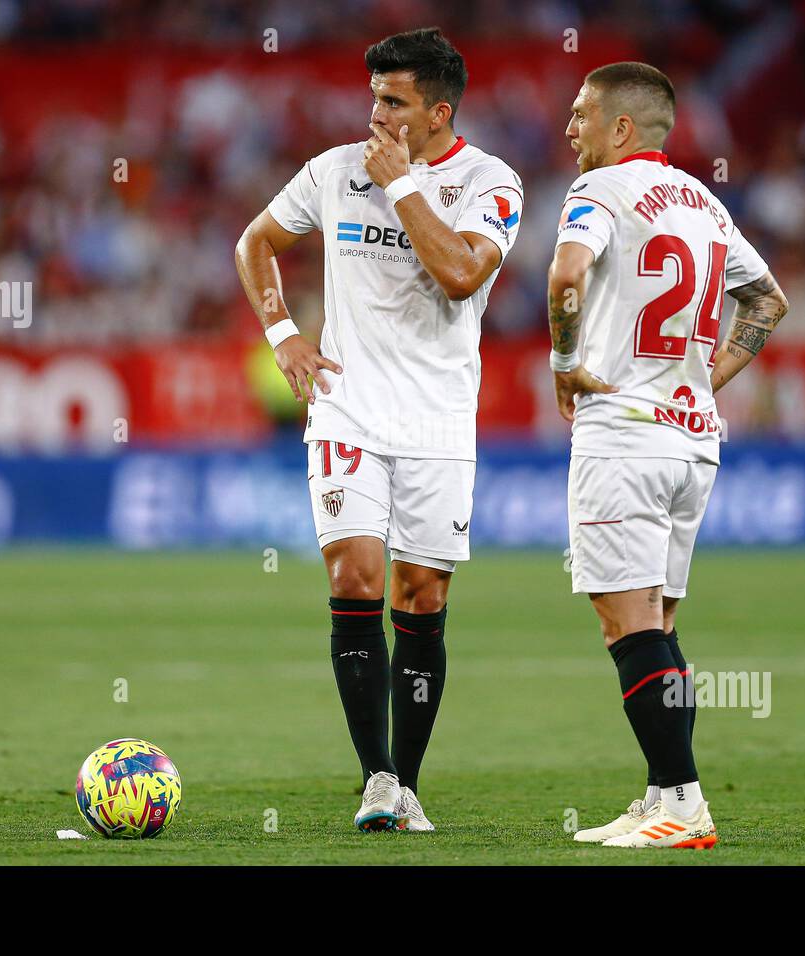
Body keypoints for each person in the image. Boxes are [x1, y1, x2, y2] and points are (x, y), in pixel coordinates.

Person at [234, 28, 523, 832]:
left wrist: (403, 189)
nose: (376, 113)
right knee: (355, 579)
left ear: (437, 110)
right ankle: (378, 778)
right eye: (373, 97)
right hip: (347, 407)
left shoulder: (489, 182)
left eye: (393, 101)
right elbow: (256, 242)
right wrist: (282, 333)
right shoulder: (333, 171)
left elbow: (463, 273)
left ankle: (412, 783)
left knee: (420, 598)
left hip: (437, 421)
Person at [545, 62, 788, 849]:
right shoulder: (707, 203)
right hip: (692, 439)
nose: (570, 126)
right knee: (656, 619)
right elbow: (768, 301)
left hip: (624, 433)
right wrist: (704, 379)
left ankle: (683, 801)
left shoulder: (598, 193)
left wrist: (562, 362)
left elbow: (565, 276)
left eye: (582, 114)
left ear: (622, 129)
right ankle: (662, 794)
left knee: (628, 624)